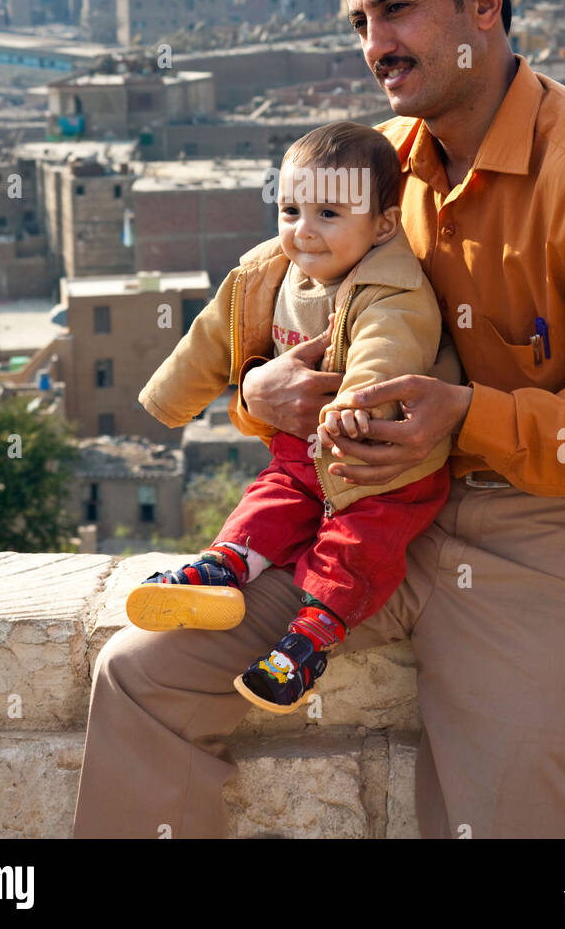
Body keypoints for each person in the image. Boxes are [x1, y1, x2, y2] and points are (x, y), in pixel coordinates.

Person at [72, 0, 565, 840]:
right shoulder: (380, 173)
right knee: (143, 672)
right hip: (377, 514)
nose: (377, 42)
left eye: (400, 9)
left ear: (485, 4)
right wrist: (259, 394)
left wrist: (466, 416)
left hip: (561, 546)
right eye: (360, 22)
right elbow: (272, 313)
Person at [125, 120, 459, 711]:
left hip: (381, 467)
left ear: (383, 223)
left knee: (358, 544)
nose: (304, 231)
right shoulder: (266, 274)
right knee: (272, 499)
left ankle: (309, 639)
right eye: (289, 210)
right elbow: (212, 335)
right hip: (300, 452)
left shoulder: (393, 287)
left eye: (329, 214)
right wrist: (168, 400)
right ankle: (227, 564)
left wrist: (353, 409)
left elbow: (387, 352)